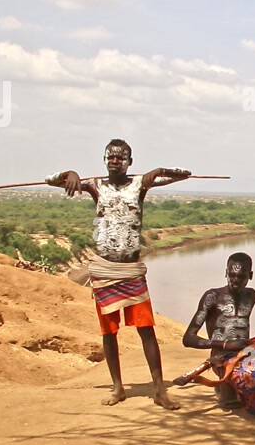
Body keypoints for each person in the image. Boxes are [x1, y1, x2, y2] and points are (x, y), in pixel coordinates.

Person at [46, 138, 188, 409]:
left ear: (129, 162)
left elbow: (184, 174)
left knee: (146, 330)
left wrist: (159, 171)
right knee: (108, 332)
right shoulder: (95, 185)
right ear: (104, 159)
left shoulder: (140, 184)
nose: (115, 161)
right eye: (111, 157)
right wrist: (70, 174)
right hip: (105, 269)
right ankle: (118, 388)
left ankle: (160, 390)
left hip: (131, 270)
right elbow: (50, 179)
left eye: (121, 157)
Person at [176, 252, 255, 415]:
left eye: (241, 277)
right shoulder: (212, 297)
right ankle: (235, 389)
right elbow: (188, 338)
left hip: (246, 355)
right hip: (222, 359)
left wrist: (253, 346)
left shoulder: (251, 295)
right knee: (233, 402)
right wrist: (225, 345)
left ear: (250, 275)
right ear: (225, 272)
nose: (235, 281)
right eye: (231, 275)